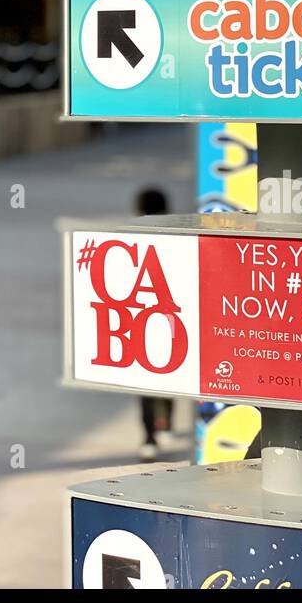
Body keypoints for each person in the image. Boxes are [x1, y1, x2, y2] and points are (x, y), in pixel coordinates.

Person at [133, 185, 175, 462]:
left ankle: (150, 435)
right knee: (169, 375)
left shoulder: (132, 236)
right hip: (171, 319)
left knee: (145, 381)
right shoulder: (176, 236)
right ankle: (167, 421)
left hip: (140, 319)